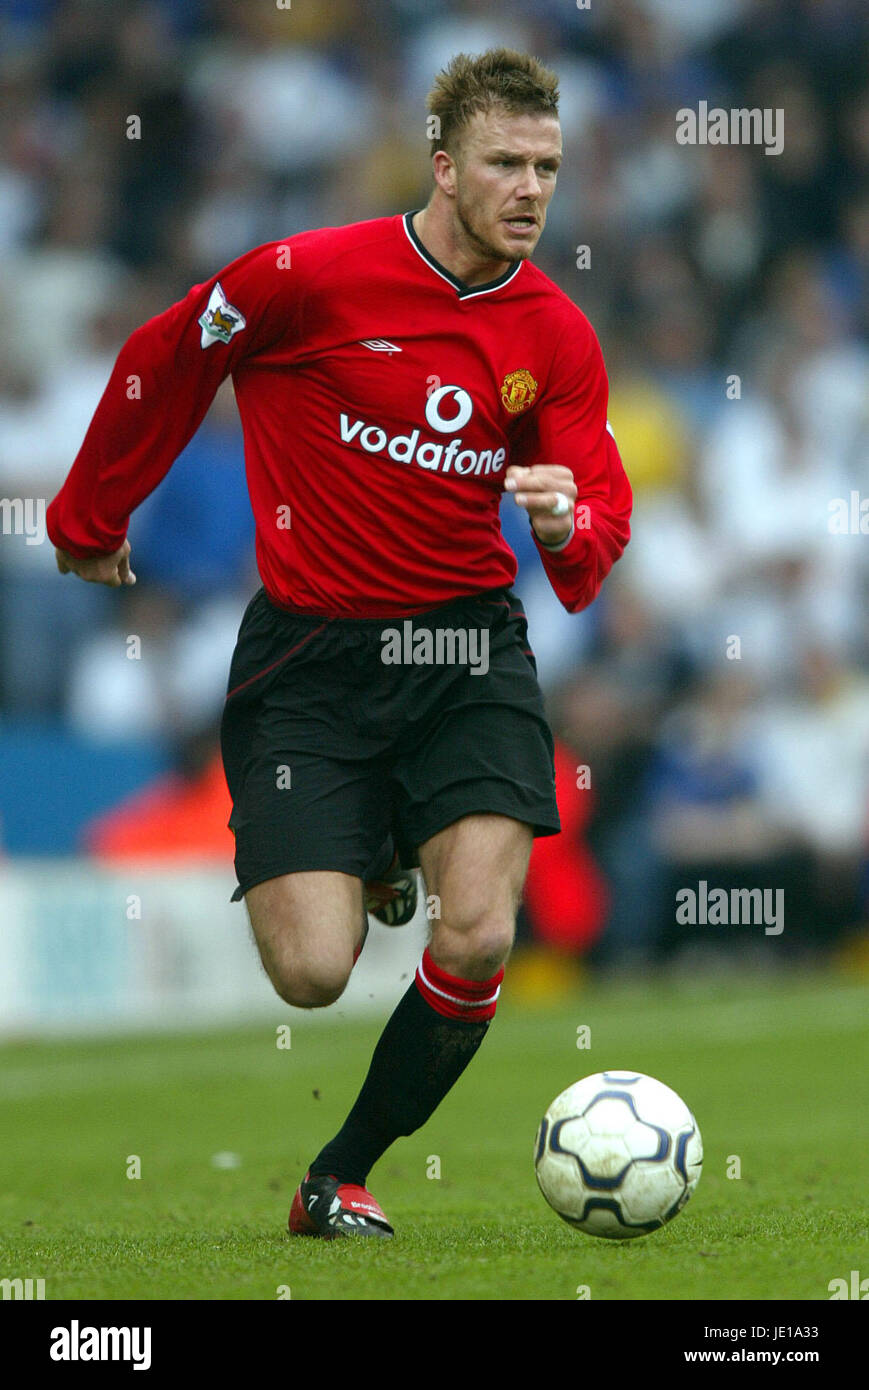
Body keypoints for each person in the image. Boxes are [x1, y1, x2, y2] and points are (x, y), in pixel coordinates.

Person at [47, 48, 632, 1239]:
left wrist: (574, 526)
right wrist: (90, 514)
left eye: (547, 168)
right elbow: (169, 353)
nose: (529, 190)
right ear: (441, 164)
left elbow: (596, 499)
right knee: (311, 971)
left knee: (475, 932)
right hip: (309, 659)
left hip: (467, 650)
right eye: (504, 164)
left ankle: (342, 1169)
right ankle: (367, 840)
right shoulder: (307, 277)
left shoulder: (553, 333)